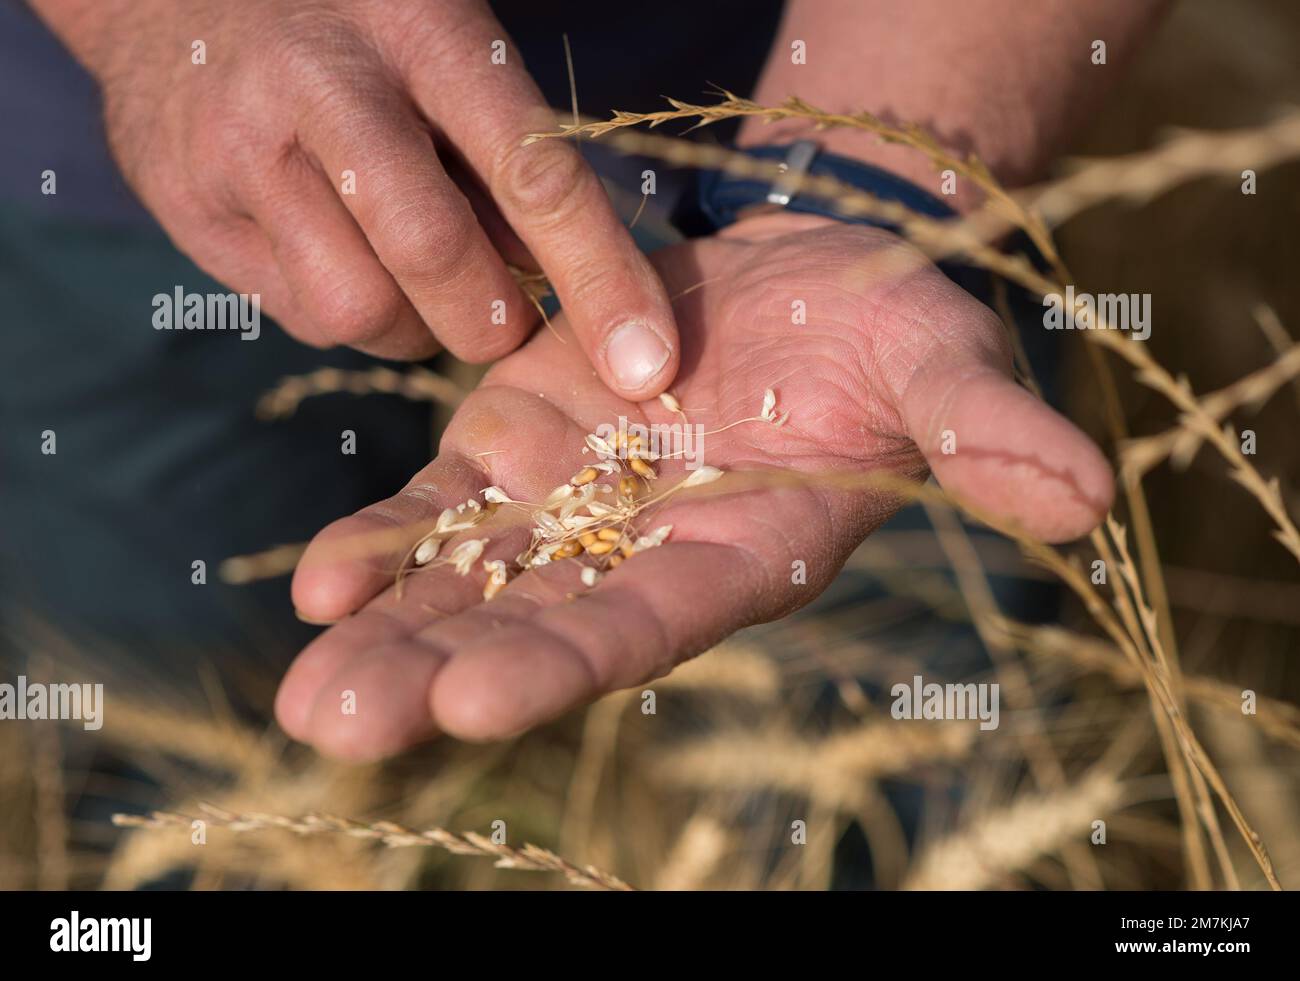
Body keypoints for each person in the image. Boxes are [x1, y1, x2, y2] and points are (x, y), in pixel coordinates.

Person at [7, 0, 1165, 757]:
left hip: (844, 82)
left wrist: (865, 198)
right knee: (156, 701)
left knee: (903, 718)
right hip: (114, 181)